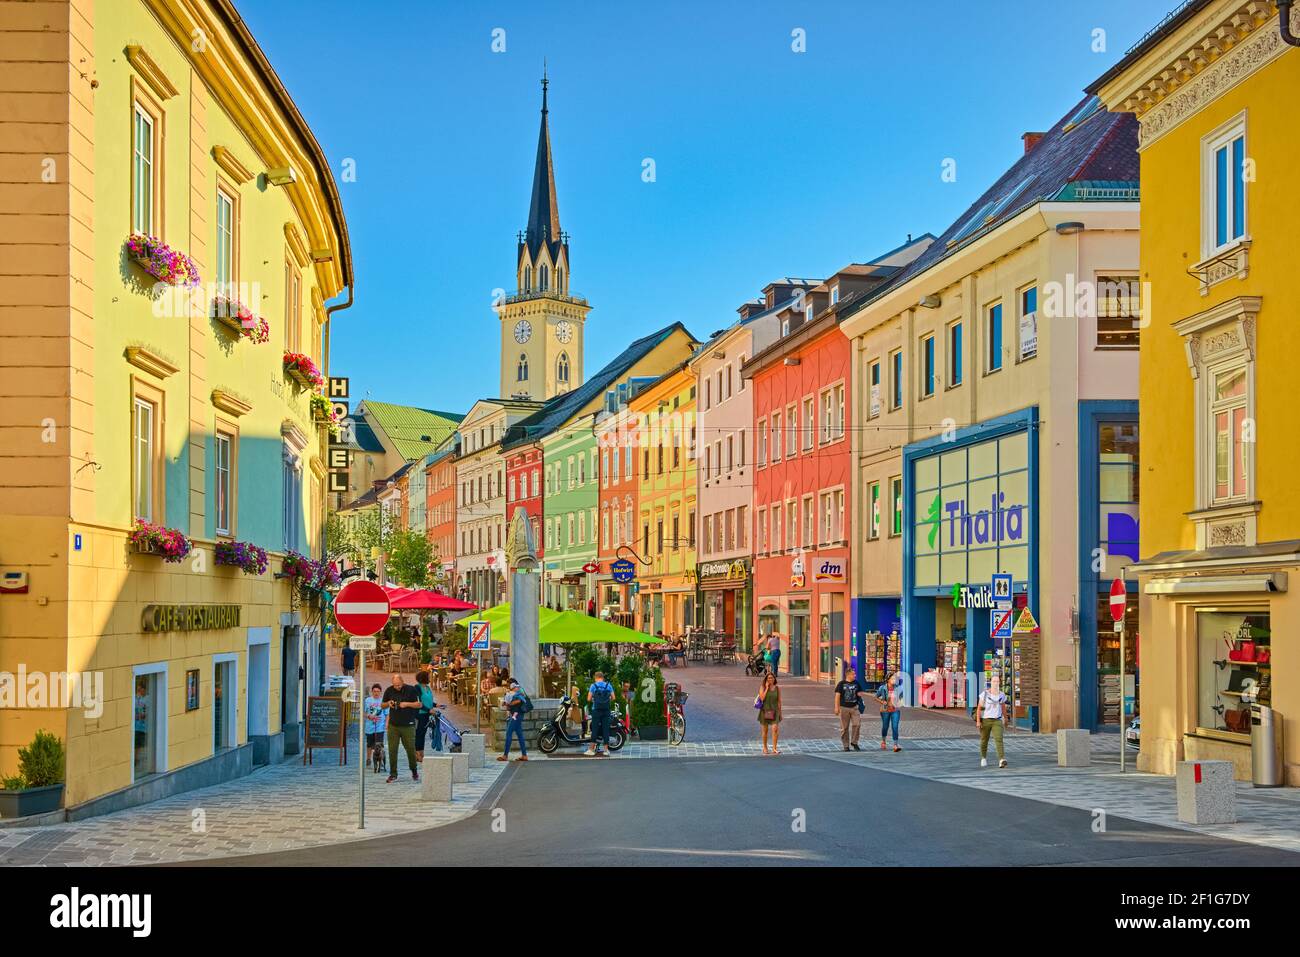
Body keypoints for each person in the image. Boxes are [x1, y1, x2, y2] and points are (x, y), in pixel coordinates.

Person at [381, 673, 421, 783]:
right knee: (392, 750)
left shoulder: (411, 690)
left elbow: (419, 704)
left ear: (402, 682)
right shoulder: (389, 690)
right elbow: (382, 705)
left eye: (399, 685)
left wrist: (406, 704)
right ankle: (393, 774)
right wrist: (389, 703)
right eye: (395, 685)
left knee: (410, 749)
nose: (397, 687)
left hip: (408, 725)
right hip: (393, 725)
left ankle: (414, 771)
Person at [976, 673, 1010, 768]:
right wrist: (978, 721)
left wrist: (1006, 718)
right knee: (984, 740)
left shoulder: (1002, 695)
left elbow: (1003, 708)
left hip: (997, 720)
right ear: (990, 682)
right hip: (986, 720)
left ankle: (1001, 759)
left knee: (999, 739)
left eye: (997, 681)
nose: (996, 683)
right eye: (994, 681)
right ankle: (983, 757)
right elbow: (979, 708)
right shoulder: (984, 694)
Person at [833, 667, 868, 751]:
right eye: (853, 674)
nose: (855, 675)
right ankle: (846, 745)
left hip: (854, 708)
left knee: (857, 724)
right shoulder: (841, 684)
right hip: (844, 708)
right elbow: (837, 696)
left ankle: (854, 742)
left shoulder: (856, 683)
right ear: (848, 675)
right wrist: (836, 708)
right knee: (844, 728)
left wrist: (861, 694)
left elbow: (860, 692)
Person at [585, 671, 616, 756]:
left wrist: (594, 699)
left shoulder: (593, 686)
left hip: (596, 710)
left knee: (594, 729)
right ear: (603, 677)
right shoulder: (608, 685)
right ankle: (606, 750)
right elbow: (614, 697)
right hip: (606, 710)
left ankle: (591, 749)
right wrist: (607, 699)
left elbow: (588, 698)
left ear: (596, 677)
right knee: (606, 729)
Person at [499, 678, 530, 762]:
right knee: (520, 735)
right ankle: (524, 755)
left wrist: (508, 703)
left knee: (509, 733)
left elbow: (518, 701)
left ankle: (505, 755)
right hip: (516, 714)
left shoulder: (518, 691)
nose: (508, 687)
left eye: (509, 685)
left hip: (516, 715)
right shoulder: (518, 690)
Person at [877, 669, 905, 752]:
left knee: (895, 727)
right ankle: (883, 741)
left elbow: (902, 699)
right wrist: (883, 702)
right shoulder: (882, 688)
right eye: (892, 679)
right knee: (885, 726)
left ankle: (895, 745)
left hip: (895, 710)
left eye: (895, 679)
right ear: (888, 679)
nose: (894, 680)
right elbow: (875, 697)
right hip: (885, 710)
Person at [414, 670, 438, 763]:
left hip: (427, 714)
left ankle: (421, 752)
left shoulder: (428, 688)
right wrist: (429, 710)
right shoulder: (417, 688)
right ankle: (417, 753)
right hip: (420, 714)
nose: (430, 678)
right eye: (429, 676)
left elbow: (428, 701)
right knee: (418, 734)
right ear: (424, 678)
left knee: (423, 734)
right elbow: (419, 703)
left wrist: (436, 705)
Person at [756, 671, 782, 754]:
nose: (771, 679)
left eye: (772, 677)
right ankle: (765, 747)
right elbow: (762, 698)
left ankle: (774, 748)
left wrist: (780, 713)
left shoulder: (777, 688)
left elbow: (779, 701)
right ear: (766, 679)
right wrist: (767, 688)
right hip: (766, 710)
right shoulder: (762, 687)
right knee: (765, 730)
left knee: (775, 729)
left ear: (774, 679)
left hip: (775, 711)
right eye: (769, 678)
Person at [363, 683, 387, 771]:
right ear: (372, 692)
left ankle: (380, 760)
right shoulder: (367, 701)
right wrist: (369, 716)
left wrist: (387, 723)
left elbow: (387, 714)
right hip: (370, 726)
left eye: (378, 691)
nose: (376, 693)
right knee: (369, 744)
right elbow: (363, 712)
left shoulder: (383, 702)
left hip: (380, 727)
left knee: (379, 745)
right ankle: (368, 758)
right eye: (374, 691)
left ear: (381, 692)